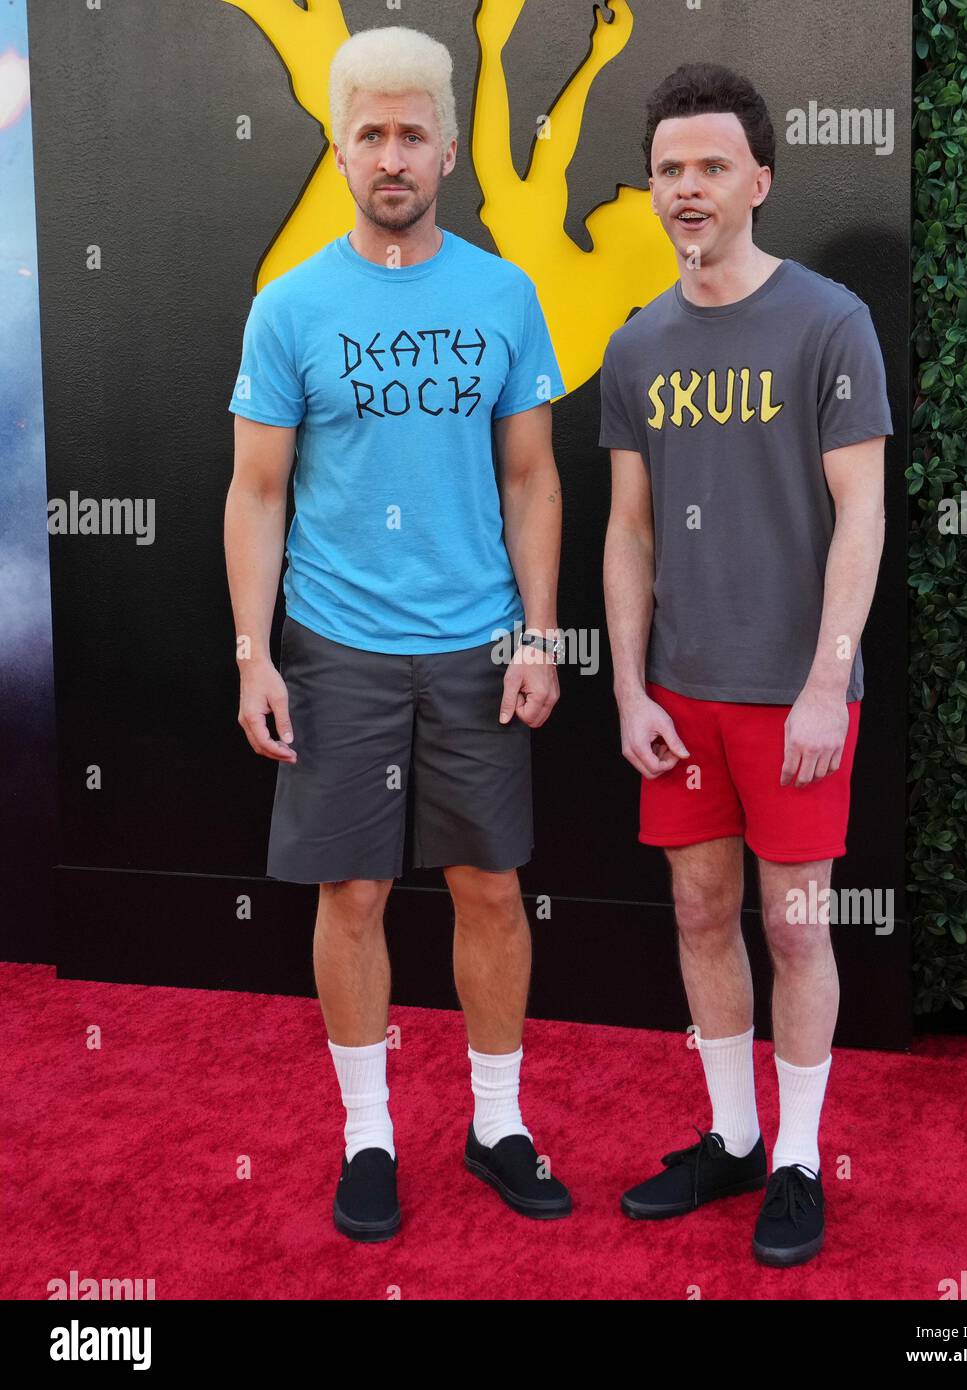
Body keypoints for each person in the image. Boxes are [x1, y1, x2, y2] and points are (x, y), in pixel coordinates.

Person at [224, 26, 570, 1242]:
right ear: (337, 144)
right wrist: (253, 652)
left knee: (488, 884)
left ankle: (495, 1124)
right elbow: (255, 490)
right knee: (355, 891)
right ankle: (367, 1135)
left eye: (411, 132)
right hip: (333, 644)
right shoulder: (292, 302)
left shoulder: (501, 291)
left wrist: (539, 636)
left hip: (477, 640)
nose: (390, 154)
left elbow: (532, 480)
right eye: (368, 132)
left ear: (445, 148)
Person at [600, 63, 893, 1267]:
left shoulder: (828, 320)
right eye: (668, 168)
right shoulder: (636, 343)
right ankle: (728, 1137)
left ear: (757, 181)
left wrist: (827, 677)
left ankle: (796, 1157)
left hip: (794, 698)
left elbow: (862, 512)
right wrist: (623, 685)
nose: (685, 187)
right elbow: (624, 524)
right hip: (676, 693)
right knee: (699, 909)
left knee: (795, 928)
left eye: (709, 166)